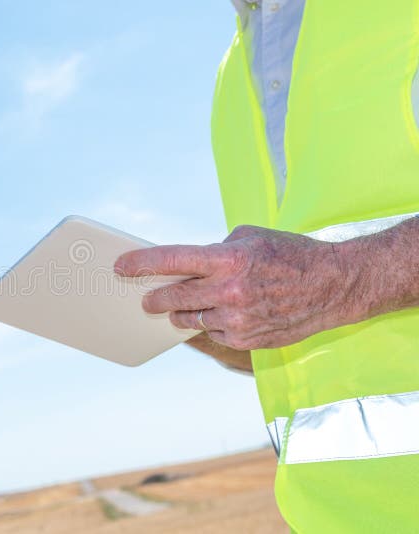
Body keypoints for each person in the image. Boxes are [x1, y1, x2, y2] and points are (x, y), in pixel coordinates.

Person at [114, 1, 419, 532]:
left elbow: (319, 287)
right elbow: (294, 337)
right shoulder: (230, 81)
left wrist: (345, 280)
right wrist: (201, 320)